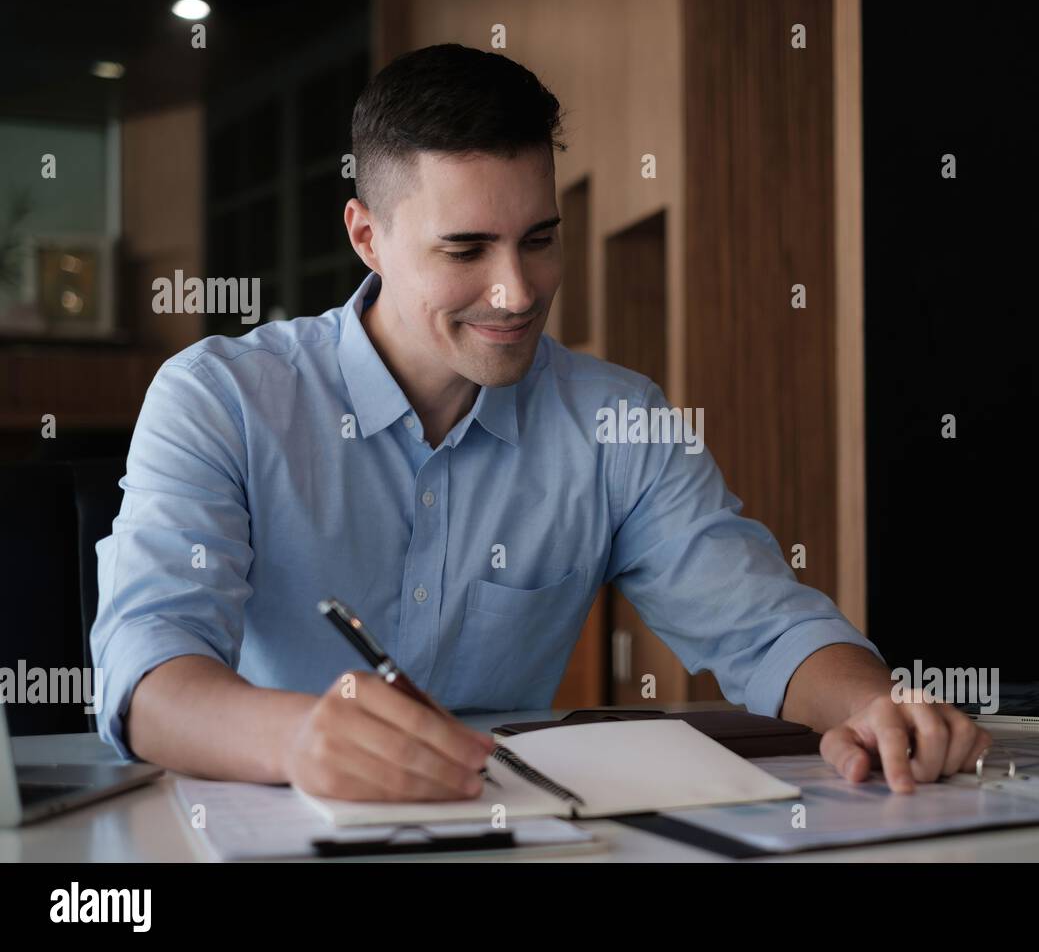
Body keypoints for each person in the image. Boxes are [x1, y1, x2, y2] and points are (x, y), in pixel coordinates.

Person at [91, 43, 992, 802]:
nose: (517, 293)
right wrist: (297, 741)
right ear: (366, 236)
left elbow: (765, 629)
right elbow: (149, 675)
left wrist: (873, 706)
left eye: (539, 238)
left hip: (513, 834)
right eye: (466, 249)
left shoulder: (617, 418)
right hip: (265, 826)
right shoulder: (220, 398)